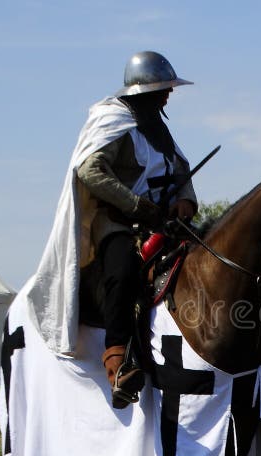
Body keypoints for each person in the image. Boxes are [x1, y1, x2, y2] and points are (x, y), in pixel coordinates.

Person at [27, 51, 198, 409]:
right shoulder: (112, 121)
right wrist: (136, 205)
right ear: (145, 91)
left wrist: (186, 200)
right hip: (119, 222)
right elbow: (90, 171)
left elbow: (180, 169)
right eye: (164, 89)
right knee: (122, 272)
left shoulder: (158, 127)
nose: (169, 95)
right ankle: (118, 360)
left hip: (162, 222)